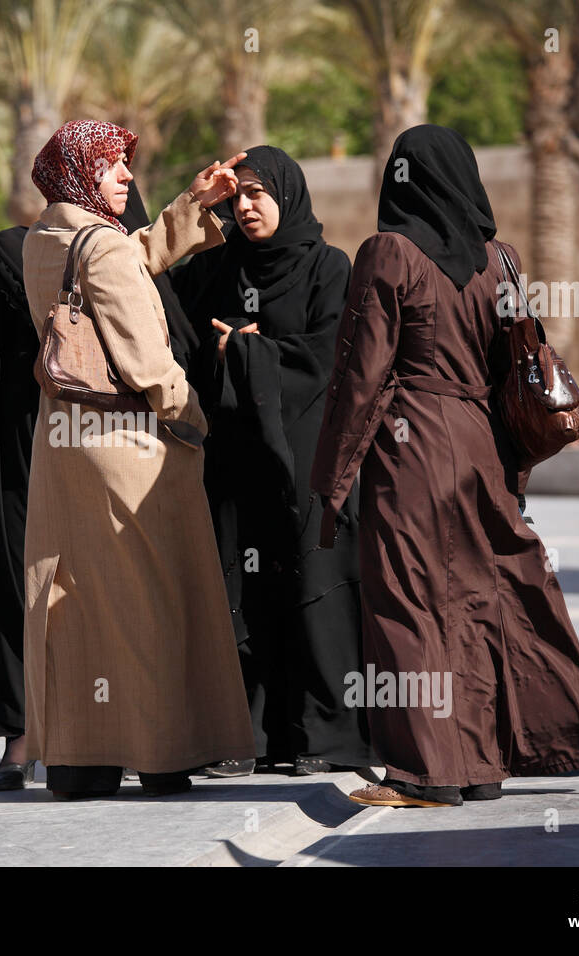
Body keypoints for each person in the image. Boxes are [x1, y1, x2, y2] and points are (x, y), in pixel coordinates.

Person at [310, 125, 579, 808]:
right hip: (482, 450)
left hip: (410, 446)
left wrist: (331, 482)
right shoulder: (499, 259)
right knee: (478, 602)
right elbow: (518, 364)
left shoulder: (388, 252)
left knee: (411, 602)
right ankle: (478, 765)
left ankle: (425, 773)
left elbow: (361, 376)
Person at [0, 159, 208, 791]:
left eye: (123, 172)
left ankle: (142, 739)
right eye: (105, 171)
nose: (119, 184)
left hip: (120, 455)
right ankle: (23, 734)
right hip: (28, 447)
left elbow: (167, 322)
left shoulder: (131, 257)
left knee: (122, 592)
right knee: (23, 585)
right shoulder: (29, 251)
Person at [20, 119, 256, 798]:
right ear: (81, 174)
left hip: (63, 442)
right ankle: (159, 751)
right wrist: (193, 421)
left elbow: (125, 256)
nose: (127, 178)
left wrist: (191, 204)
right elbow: (146, 360)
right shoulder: (103, 248)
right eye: (114, 167)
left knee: (74, 600)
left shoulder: (47, 236)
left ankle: (79, 759)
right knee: (145, 601)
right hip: (126, 444)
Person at [166, 146, 374, 777]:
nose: (246, 206)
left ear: (288, 195)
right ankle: (244, 734)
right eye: (237, 197)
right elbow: (167, 317)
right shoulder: (218, 266)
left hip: (308, 457)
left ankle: (324, 734)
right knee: (240, 588)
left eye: (257, 194)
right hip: (234, 458)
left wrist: (260, 354)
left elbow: (331, 354)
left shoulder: (327, 267)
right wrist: (194, 205)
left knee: (314, 586)